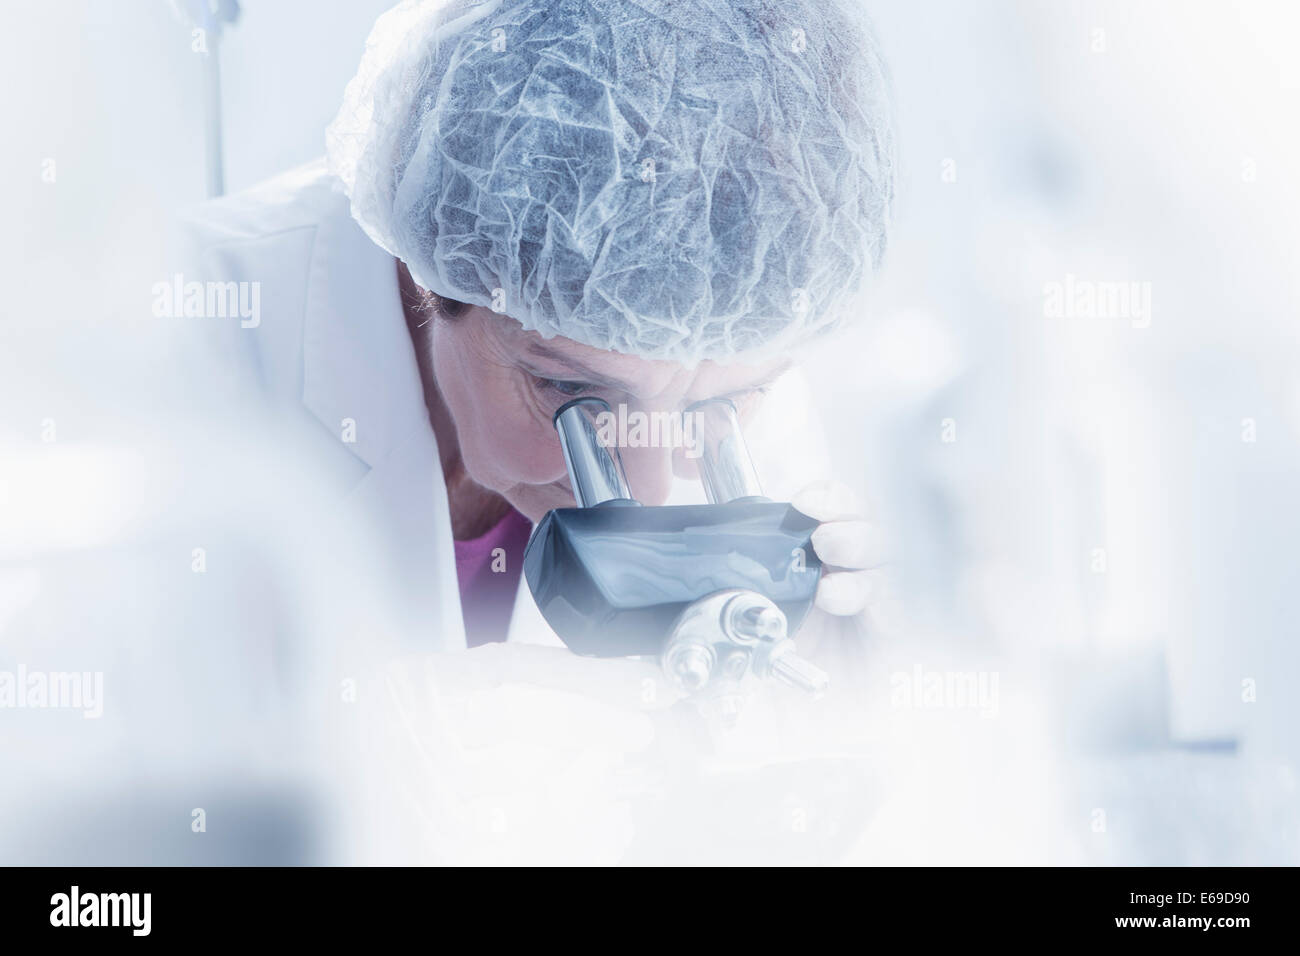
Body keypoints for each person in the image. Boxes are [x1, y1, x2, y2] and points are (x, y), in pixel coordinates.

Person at [175, 0, 896, 862]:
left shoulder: (732, 332)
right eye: (566, 388)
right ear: (428, 267)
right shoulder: (187, 346)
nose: (654, 486)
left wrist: (847, 705)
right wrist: (308, 792)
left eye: (718, 409)